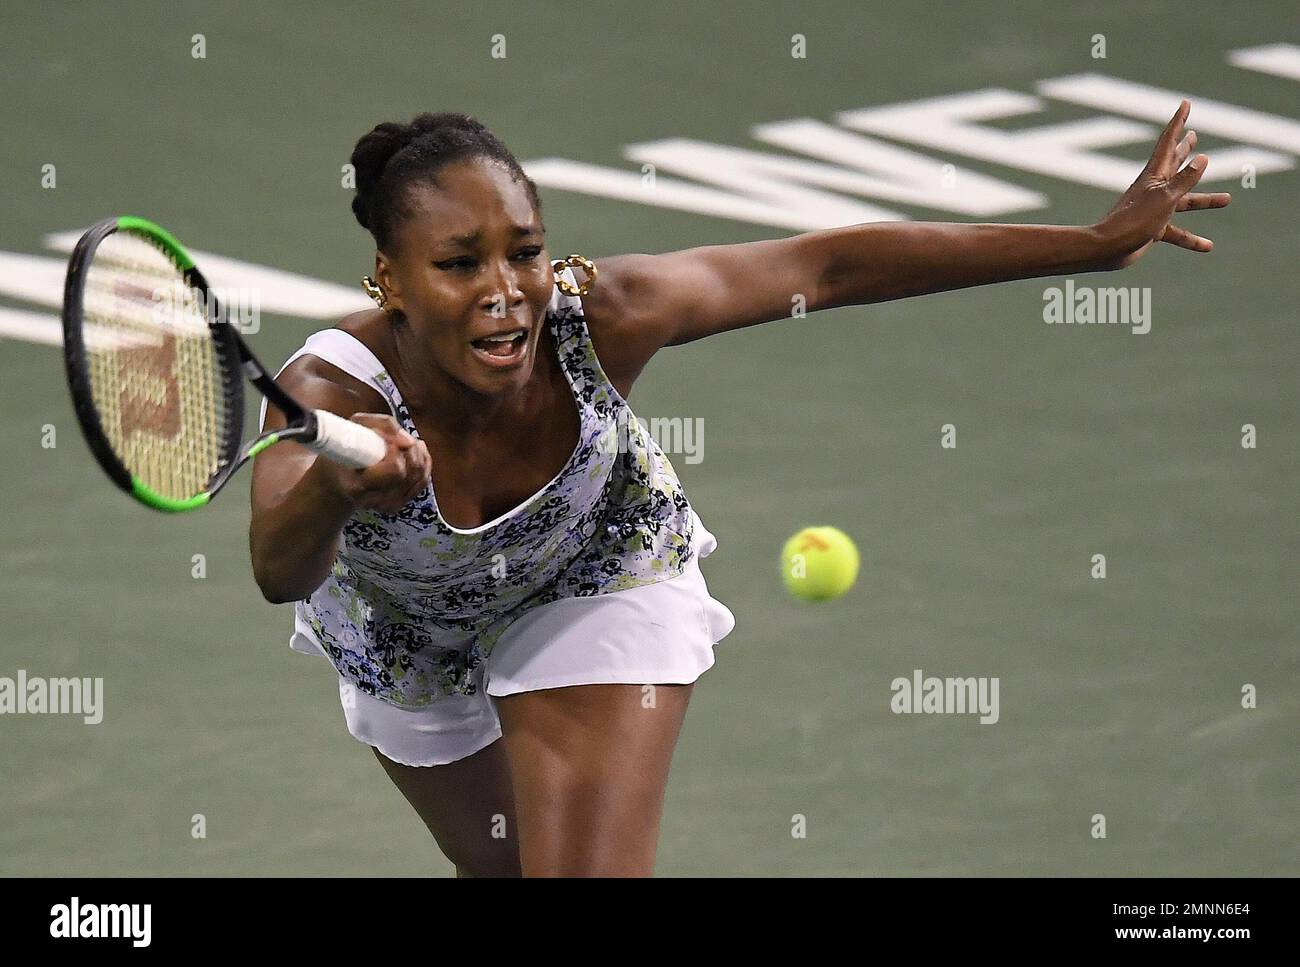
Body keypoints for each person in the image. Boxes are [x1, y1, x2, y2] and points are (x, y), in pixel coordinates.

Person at [249, 102, 1229, 877]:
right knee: (497, 864)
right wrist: (337, 487)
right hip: (406, 633)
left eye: (524, 250)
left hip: (595, 571)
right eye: (460, 264)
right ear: (390, 279)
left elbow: (826, 266)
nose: (507, 287)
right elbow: (278, 568)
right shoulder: (325, 394)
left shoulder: (610, 314)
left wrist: (1090, 244)